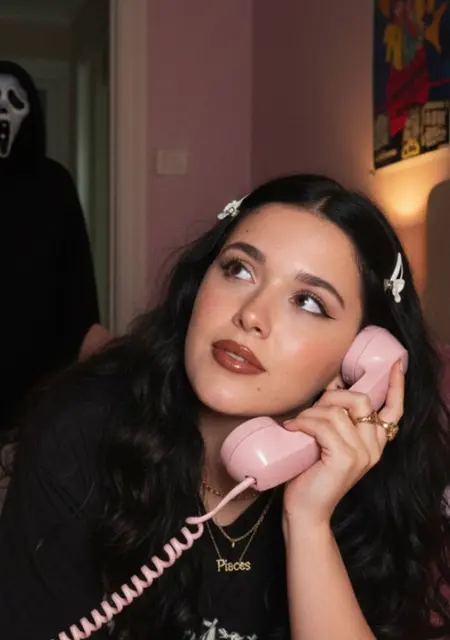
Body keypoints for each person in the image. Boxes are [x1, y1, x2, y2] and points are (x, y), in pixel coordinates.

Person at [0, 174, 449, 640]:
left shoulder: (378, 503)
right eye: (238, 270)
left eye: (308, 302)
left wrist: (309, 522)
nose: (251, 315)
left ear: (359, 357)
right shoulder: (79, 435)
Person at [0, 60, 99, 430]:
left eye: (14, 101)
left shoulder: (53, 181)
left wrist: (86, 333)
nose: (3, 112)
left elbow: (76, 265)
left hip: (37, 343)